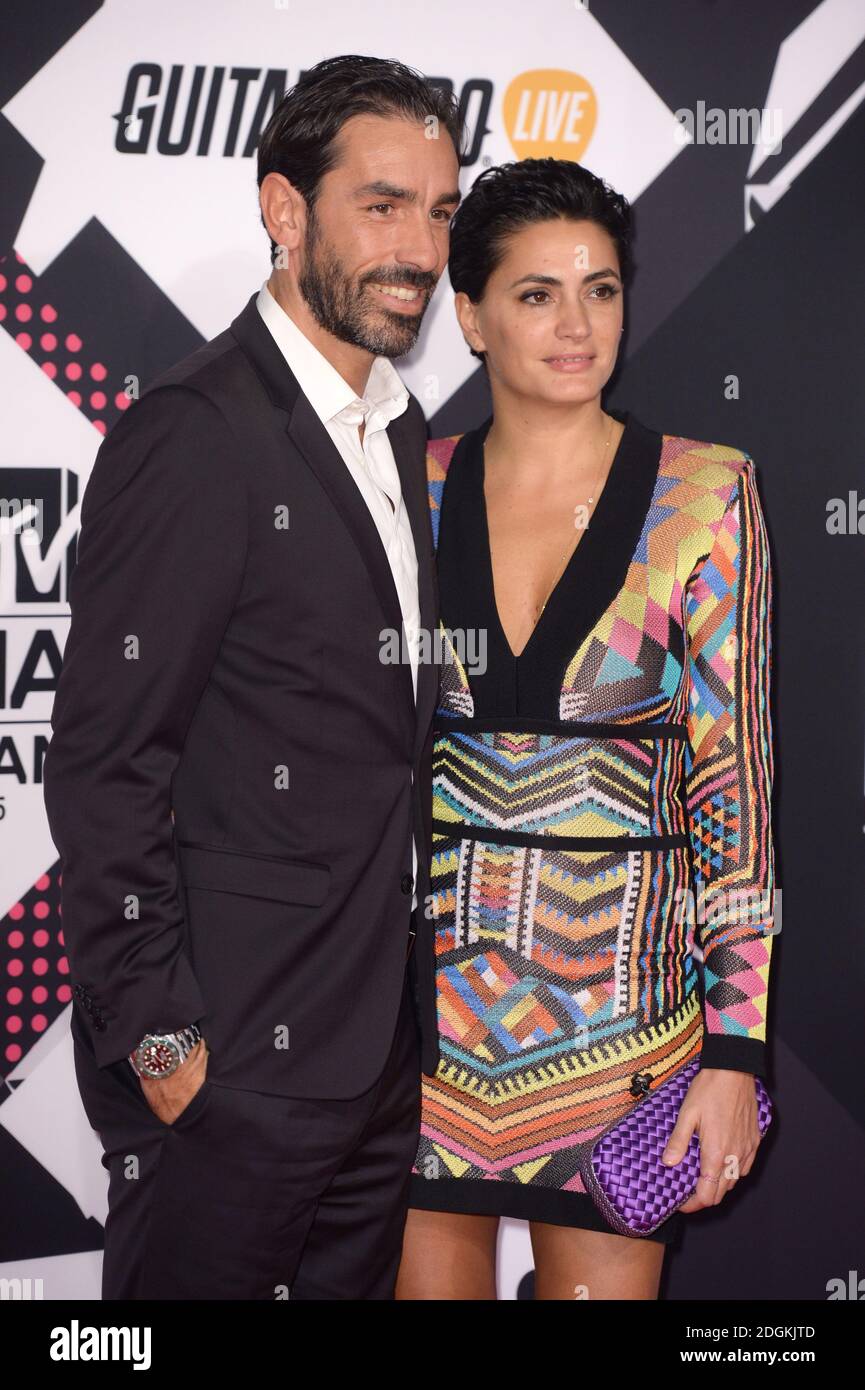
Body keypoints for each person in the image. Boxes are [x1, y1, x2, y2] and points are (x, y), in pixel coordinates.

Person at [42, 54, 463, 1301]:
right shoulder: (196, 429)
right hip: (229, 1067)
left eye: (439, 212)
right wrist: (164, 1044)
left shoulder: (395, 423)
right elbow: (106, 763)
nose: (423, 252)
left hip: (375, 1053)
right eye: (381, 206)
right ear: (284, 211)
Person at [397, 158, 776, 1300]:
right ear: (467, 313)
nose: (576, 324)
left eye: (600, 289)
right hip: (416, 1043)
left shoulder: (704, 492)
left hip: (631, 1045)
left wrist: (738, 1050)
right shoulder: (402, 488)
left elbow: (734, 784)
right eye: (535, 293)